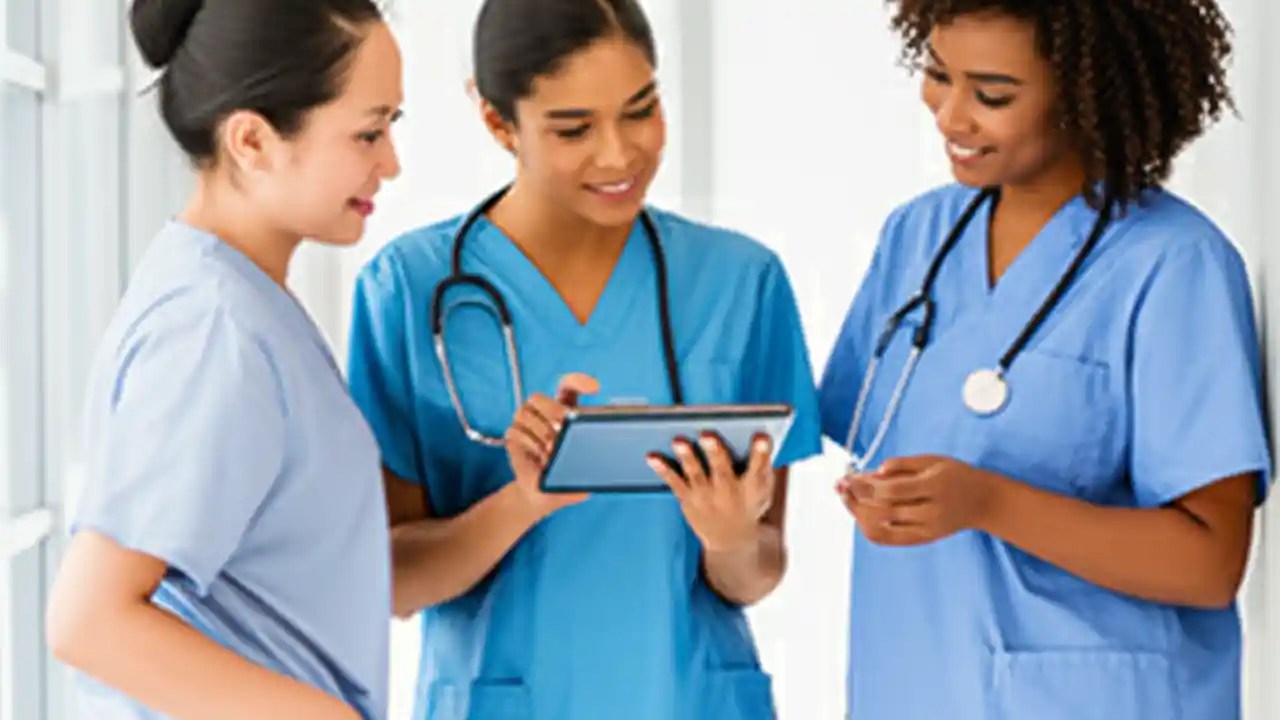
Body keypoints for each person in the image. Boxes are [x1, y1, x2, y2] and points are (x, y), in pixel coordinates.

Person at [345, 1, 820, 718]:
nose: (619, 155)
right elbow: (393, 584)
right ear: (497, 122)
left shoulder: (740, 284)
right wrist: (522, 501)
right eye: (573, 129)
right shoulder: (409, 289)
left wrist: (728, 541)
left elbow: (757, 572)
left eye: (641, 110)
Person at [817, 1, 1270, 718]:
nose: (950, 116)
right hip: (913, 686)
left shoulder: (1172, 264)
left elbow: (1210, 563)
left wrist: (989, 502)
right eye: (938, 75)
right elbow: (864, 435)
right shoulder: (918, 236)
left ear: (1089, 96)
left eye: (992, 95)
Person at [45, 1, 403, 718]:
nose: (390, 164)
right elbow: (90, 622)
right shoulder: (217, 330)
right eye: (368, 133)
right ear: (252, 141)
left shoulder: (243, 302)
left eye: (392, 126)